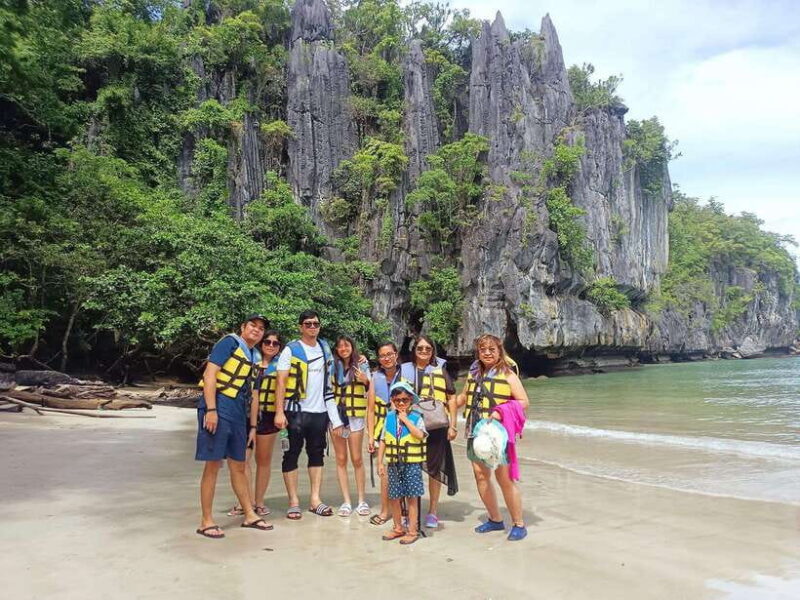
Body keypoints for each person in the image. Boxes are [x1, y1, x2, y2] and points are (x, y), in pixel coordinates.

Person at [195, 314, 273, 539]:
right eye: (253, 326)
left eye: (261, 328)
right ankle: (206, 520)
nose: (257, 331)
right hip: (218, 409)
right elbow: (210, 374)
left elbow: (253, 394)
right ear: (243, 327)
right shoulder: (228, 343)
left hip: (238, 414)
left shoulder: (254, 356)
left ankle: (249, 514)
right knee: (213, 465)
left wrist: (252, 427)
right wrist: (211, 410)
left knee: (239, 465)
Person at [457, 334, 530, 541]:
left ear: (499, 352)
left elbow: (524, 401)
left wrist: (500, 411)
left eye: (491, 349)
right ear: (478, 353)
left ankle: (518, 523)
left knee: (503, 479)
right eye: (483, 350)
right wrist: (448, 403)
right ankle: (495, 519)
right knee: (481, 476)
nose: (487, 353)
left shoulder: (508, 374)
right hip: (474, 431)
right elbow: (464, 397)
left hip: (497, 434)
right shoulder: (473, 374)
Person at [274, 310, 341, 519]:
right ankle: (293, 501)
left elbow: (335, 373)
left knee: (317, 454)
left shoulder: (324, 348)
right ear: (300, 326)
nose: (312, 327)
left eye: (315, 324)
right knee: (291, 454)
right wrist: (279, 412)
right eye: (308, 324)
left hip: (319, 412)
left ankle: (315, 500)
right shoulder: (291, 350)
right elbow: (281, 382)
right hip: (295, 411)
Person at [400, 335, 458, 529]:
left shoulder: (440, 371)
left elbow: (451, 398)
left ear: (433, 351)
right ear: (414, 350)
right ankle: (411, 509)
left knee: (434, 469)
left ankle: (433, 511)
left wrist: (453, 425)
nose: (424, 351)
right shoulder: (405, 370)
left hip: (436, 426)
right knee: (411, 469)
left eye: (428, 349)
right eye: (420, 348)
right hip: (411, 425)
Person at [377, 381, 427, 545]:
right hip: (393, 464)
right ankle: (398, 527)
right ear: (392, 399)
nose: (401, 403)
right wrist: (379, 462)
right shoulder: (389, 418)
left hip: (411, 464)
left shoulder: (416, 417)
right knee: (394, 497)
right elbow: (383, 440)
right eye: (397, 399)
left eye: (405, 400)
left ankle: (412, 531)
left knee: (412, 498)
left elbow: (420, 435)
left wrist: (405, 420)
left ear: (411, 400)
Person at [331, 336, 372, 517]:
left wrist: (365, 380)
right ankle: (346, 501)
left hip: (355, 417)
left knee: (357, 459)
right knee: (341, 459)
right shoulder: (331, 366)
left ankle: (362, 500)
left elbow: (371, 389)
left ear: (352, 347)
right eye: (340, 346)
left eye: (346, 345)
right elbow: (327, 391)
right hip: (337, 417)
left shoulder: (361, 364)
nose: (343, 348)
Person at [366, 341, 403, 525]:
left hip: (403, 429)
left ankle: (402, 510)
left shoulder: (405, 374)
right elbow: (371, 410)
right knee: (385, 471)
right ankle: (384, 510)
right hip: (383, 428)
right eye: (383, 356)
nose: (387, 358)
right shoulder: (375, 377)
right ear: (379, 360)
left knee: (404, 469)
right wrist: (371, 436)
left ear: (396, 354)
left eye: (390, 354)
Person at [249, 330, 284, 516]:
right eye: (267, 342)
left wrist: (361, 360)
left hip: (269, 417)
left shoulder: (282, 365)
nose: (271, 345)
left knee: (263, 460)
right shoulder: (249, 360)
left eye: (275, 343)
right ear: (261, 344)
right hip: (246, 416)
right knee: (242, 461)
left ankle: (259, 501)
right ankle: (244, 502)